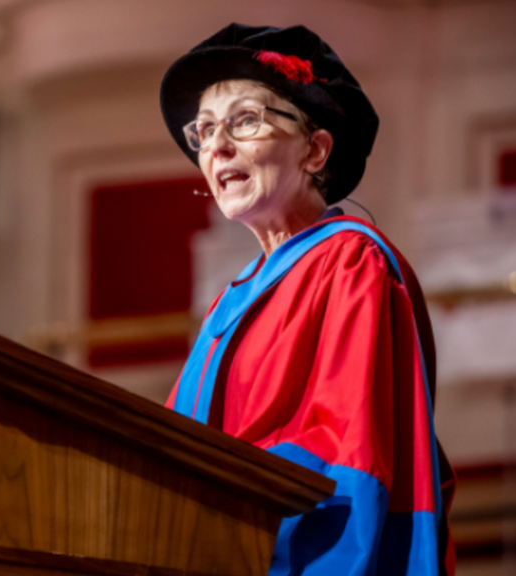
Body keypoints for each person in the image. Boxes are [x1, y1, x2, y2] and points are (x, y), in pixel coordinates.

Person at [161, 24, 455, 576]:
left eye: (245, 120)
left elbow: (351, 454)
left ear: (315, 151)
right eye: (203, 131)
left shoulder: (348, 263)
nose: (216, 146)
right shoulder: (230, 304)